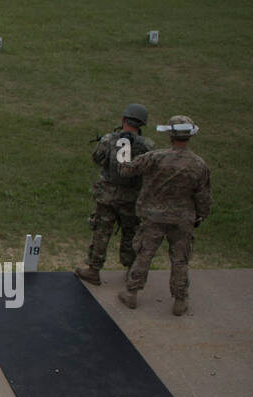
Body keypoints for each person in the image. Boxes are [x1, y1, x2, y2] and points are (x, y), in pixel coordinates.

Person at [117, 116, 212, 316]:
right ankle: (179, 300)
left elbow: (126, 170)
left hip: (153, 216)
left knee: (144, 254)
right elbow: (203, 197)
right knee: (180, 260)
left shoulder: (156, 158)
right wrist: (200, 216)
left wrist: (123, 151)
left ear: (170, 134)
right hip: (182, 219)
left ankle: (131, 293)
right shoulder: (199, 165)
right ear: (191, 135)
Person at [75, 103, 153, 285]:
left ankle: (93, 269)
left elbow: (97, 158)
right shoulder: (148, 145)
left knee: (101, 232)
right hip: (132, 198)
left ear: (124, 119)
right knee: (131, 234)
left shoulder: (109, 139)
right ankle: (131, 271)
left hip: (107, 196)